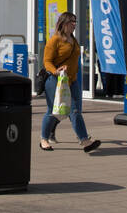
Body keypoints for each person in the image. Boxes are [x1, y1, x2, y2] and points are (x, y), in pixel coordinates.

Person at [39, 11, 100, 154]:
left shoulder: (73, 39)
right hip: (56, 80)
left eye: (75, 22)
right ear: (63, 23)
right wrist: (56, 70)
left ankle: (53, 135)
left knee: (74, 110)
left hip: (72, 80)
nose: (74, 24)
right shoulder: (55, 40)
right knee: (63, 110)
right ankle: (82, 140)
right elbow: (46, 61)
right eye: (71, 22)